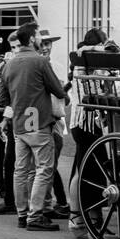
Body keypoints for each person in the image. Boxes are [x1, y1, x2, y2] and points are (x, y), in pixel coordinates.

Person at [0, 23, 66, 231]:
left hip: (20, 124)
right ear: (30, 40)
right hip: (39, 121)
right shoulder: (40, 61)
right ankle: (35, 215)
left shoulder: (8, 64)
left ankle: (22, 214)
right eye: (38, 36)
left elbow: (3, 97)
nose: (40, 40)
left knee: (21, 171)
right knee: (44, 168)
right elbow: (58, 90)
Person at [66, 28, 113, 238]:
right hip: (86, 123)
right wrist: (103, 48)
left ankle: (89, 219)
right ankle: (77, 219)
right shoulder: (83, 61)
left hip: (86, 123)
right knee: (85, 172)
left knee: (87, 171)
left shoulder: (83, 63)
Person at [0, 30, 23, 218]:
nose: (15, 50)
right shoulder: (10, 66)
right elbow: (8, 99)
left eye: (18, 46)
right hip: (16, 118)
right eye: (12, 47)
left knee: (34, 165)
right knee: (10, 161)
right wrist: (5, 119)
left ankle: (45, 204)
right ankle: (11, 200)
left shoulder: (27, 64)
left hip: (32, 120)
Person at [35, 29, 69, 219]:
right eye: (42, 43)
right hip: (36, 120)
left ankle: (51, 204)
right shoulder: (33, 66)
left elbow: (64, 96)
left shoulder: (57, 66)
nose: (45, 47)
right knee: (41, 164)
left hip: (54, 121)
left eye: (48, 44)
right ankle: (49, 204)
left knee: (49, 163)